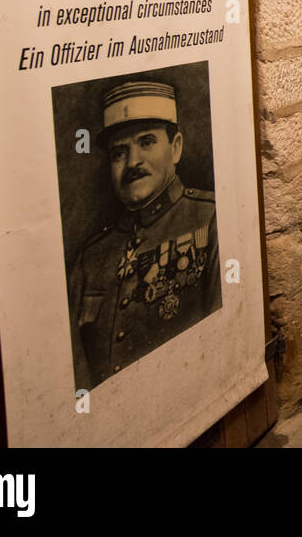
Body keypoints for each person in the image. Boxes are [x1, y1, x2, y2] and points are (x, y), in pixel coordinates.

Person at [67, 80, 220, 389]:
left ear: (175, 147)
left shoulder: (211, 218)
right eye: (119, 153)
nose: (133, 162)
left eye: (147, 142)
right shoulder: (91, 257)